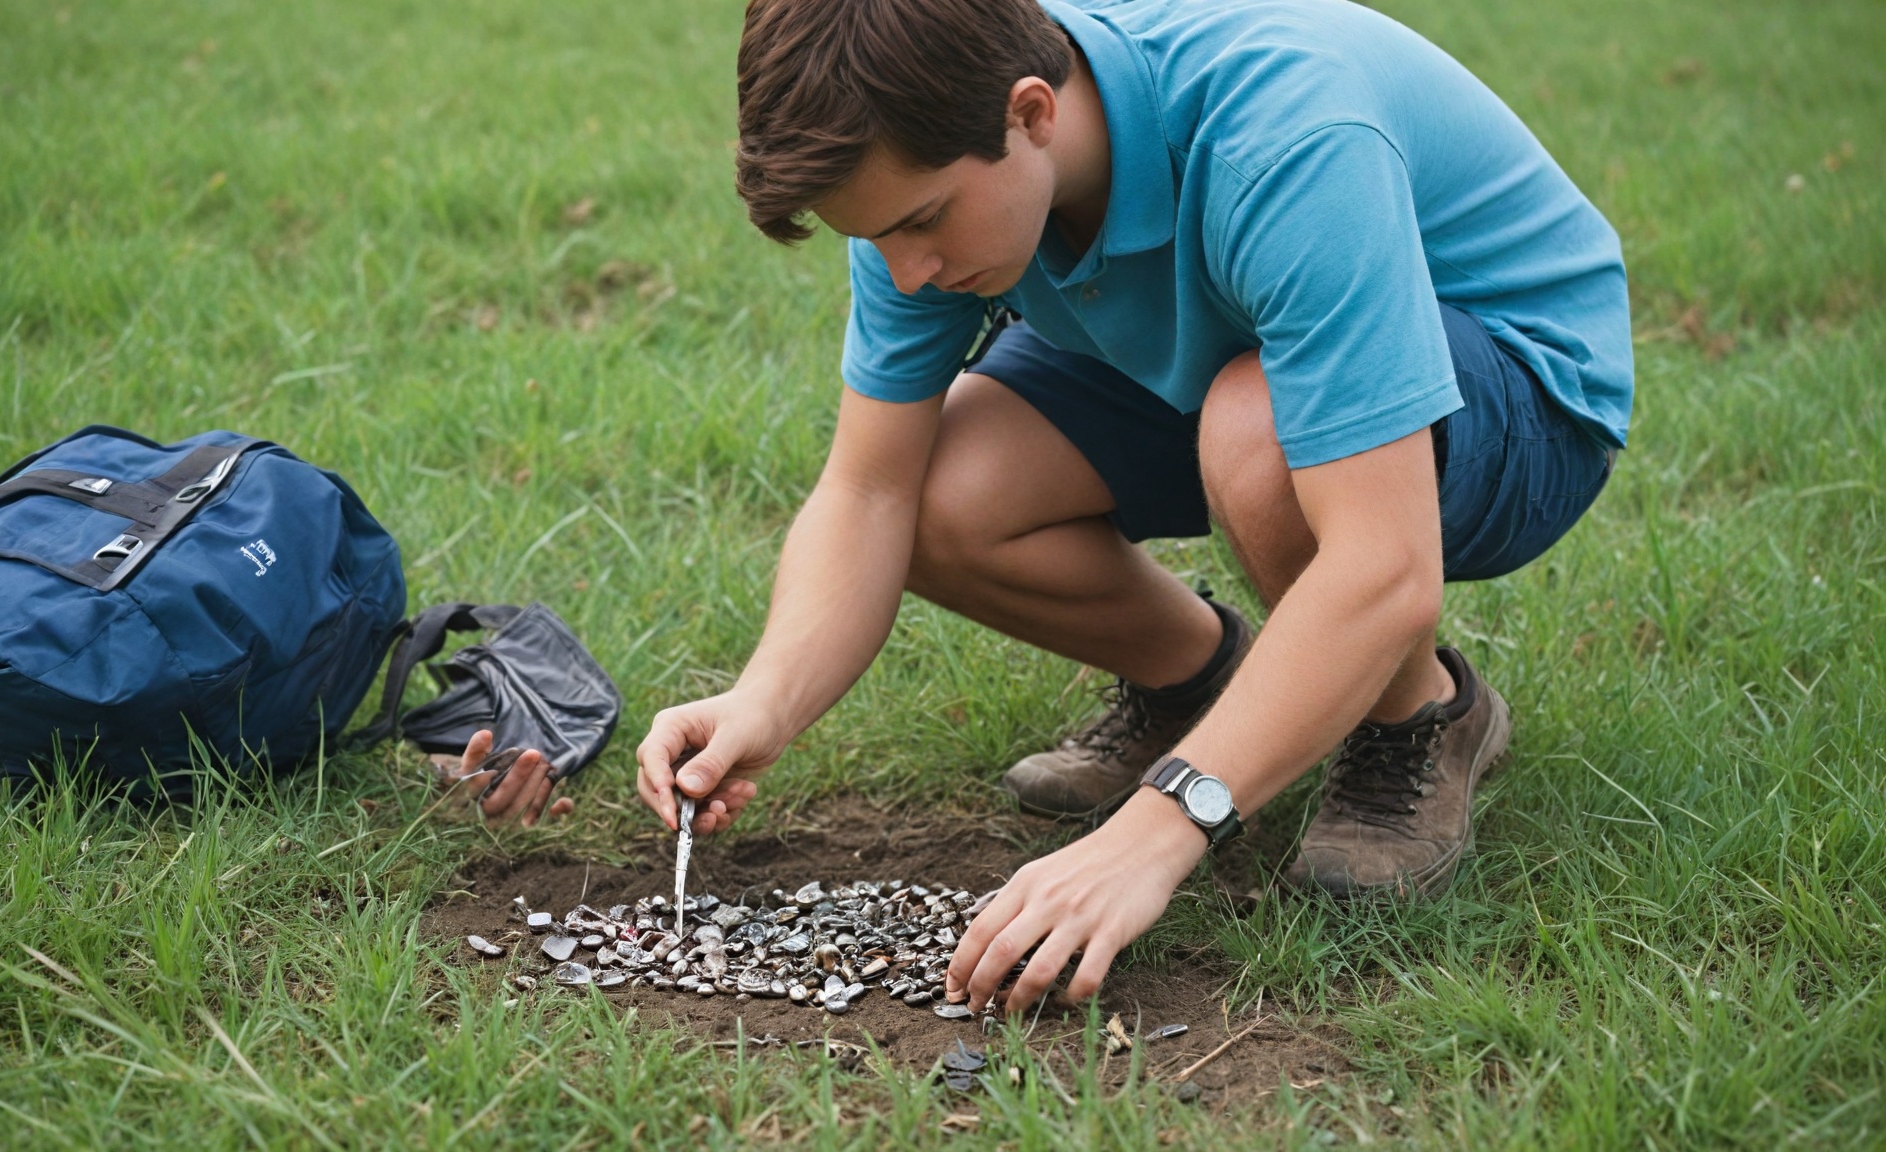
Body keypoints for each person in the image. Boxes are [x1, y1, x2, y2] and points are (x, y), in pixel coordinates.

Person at [629, 0, 1632, 1015]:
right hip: (1215, 351)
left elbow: (1386, 568)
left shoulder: (1284, 140)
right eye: (874, 238)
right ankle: (1197, 681)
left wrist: (1152, 837)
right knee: (945, 488)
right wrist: (764, 699)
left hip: (1518, 386)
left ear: (1031, 114)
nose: (907, 273)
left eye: (922, 223)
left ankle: (1416, 717)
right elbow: (869, 488)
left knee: (1259, 431)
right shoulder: (920, 161)